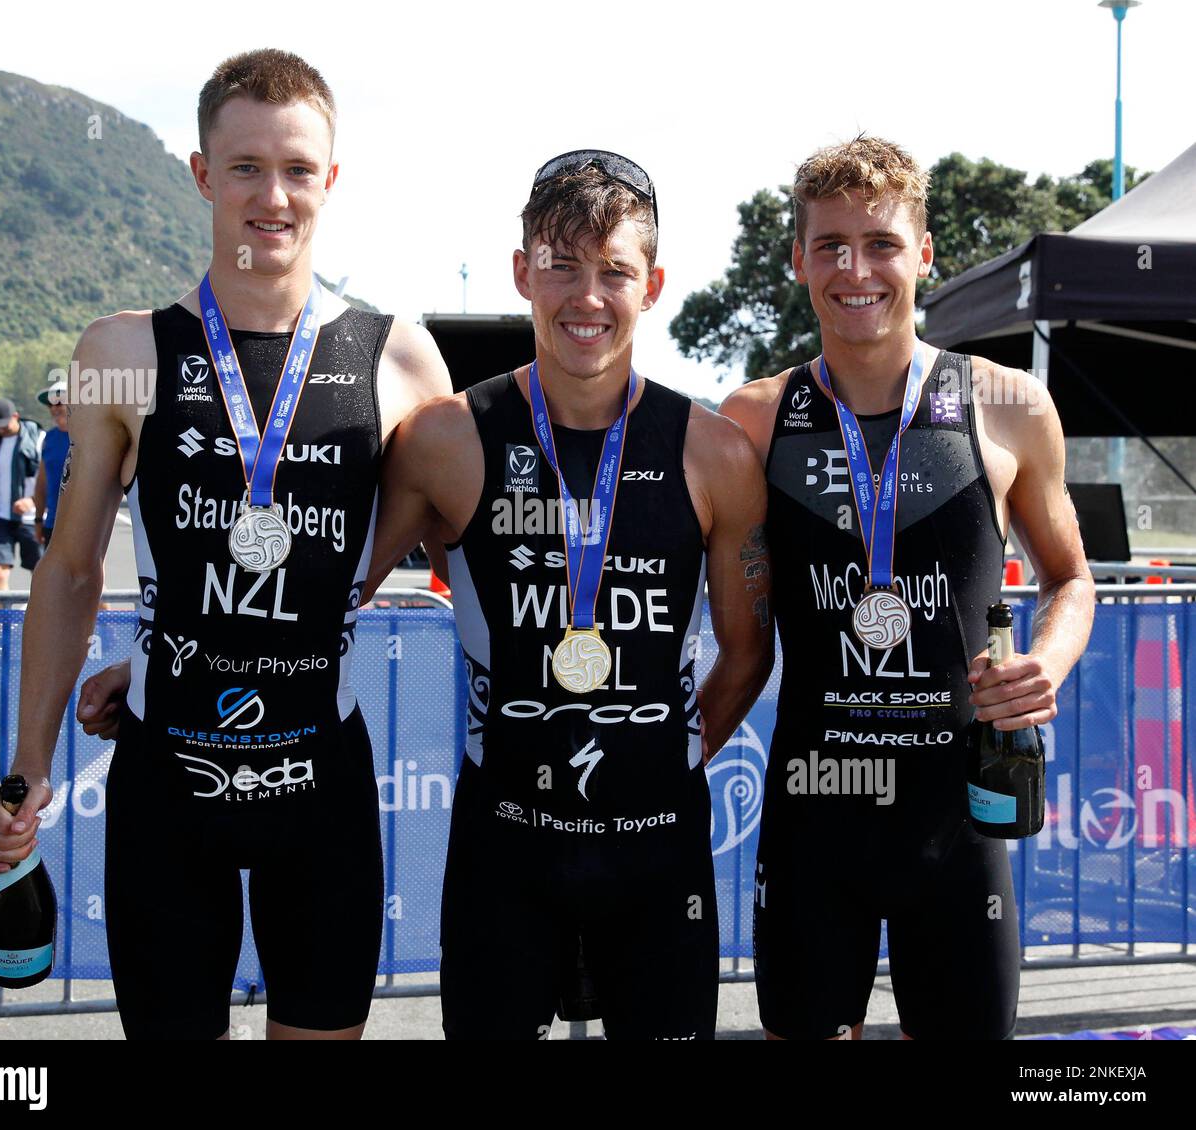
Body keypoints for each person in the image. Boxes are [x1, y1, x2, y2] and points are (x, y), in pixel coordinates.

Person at [0, 48, 450, 1041]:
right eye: (243, 167)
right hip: (166, 788)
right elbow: (67, 569)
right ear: (201, 174)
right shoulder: (118, 354)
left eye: (296, 168)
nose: (271, 195)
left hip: (321, 790)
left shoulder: (401, 357)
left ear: (331, 178)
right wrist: (25, 773)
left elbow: (455, 532)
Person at [372, 151, 773, 1038]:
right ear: (523, 271)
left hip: (658, 848)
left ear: (654, 282)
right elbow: (330, 588)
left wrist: (669, 749)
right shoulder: (445, 439)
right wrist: (151, 660)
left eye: (614, 271)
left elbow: (748, 650)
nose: (586, 296)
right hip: (504, 845)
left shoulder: (712, 452)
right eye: (560, 264)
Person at [719, 136, 1095, 1040]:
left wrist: (1046, 663)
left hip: (955, 821)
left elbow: (1071, 579)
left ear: (924, 254)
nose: (857, 270)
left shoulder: (1008, 404)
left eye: (882, 243)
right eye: (831, 245)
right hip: (815, 812)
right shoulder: (753, 418)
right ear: (799, 259)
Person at [0, 397, 43, 590]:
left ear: (16, 416)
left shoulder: (38, 439)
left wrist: (32, 501)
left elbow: (51, 479)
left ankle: (40, 620)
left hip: (31, 517)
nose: (1, 429)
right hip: (1, 517)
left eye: (4, 424)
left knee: (39, 573)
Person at [32, 379, 70, 546]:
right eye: (50, 405)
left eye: (59, 402)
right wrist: (39, 520)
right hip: (52, 524)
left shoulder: (89, 437)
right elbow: (42, 483)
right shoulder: (49, 438)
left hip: (85, 527)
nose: (54, 408)